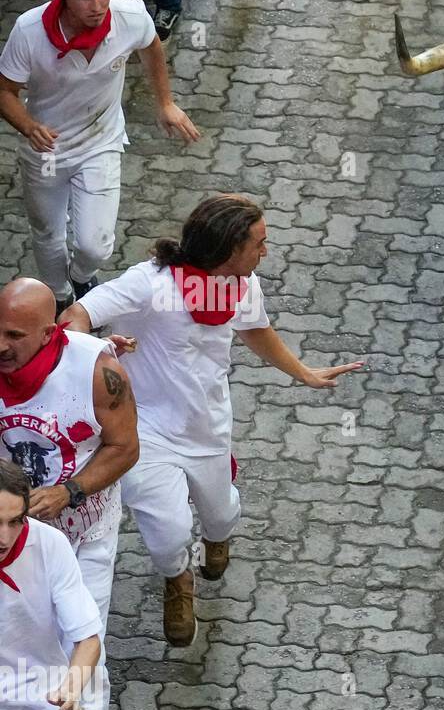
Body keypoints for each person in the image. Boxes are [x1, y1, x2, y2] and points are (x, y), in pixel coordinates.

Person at [59, 194, 363, 647]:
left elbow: (255, 329)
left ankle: (218, 538)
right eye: (258, 243)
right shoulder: (149, 284)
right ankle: (177, 580)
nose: (266, 251)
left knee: (220, 515)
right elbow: (76, 315)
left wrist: (303, 372)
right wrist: (94, 353)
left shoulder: (243, 284)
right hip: (145, 433)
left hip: (208, 428)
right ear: (227, 247)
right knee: (169, 533)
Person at [0, 277, 138, 710]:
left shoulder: (95, 370)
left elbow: (125, 447)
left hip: (82, 533)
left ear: (50, 332)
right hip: (9, 533)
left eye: (14, 335)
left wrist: (71, 492)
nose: (1, 344)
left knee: (86, 656)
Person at [0, 0, 200, 311]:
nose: (97, 6)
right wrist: (28, 126)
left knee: (95, 246)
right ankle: (59, 297)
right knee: (48, 232)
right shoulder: (30, 31)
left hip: (100, 143)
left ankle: (82, 278)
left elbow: (150, 44)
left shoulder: (129, 16)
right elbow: (5, 91)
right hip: (48, 152)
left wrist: (165, 102)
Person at [0, 459, 104, 710]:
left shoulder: (49, 544)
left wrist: (72, 687)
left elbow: (87, 637)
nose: (5, 536)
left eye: (16, 521)